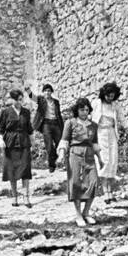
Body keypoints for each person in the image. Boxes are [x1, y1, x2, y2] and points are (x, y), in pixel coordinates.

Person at [56, 97, 101, 227]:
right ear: (77, 110)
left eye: (87, 110)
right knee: (75, 183)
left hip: (89, 155)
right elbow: (64, 141)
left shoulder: (93, 126)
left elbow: (95, 144)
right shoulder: (70, 123)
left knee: (93, 182)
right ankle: (78, 215)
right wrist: (60, 155)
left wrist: (101, 160)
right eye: (82, 109)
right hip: (75, 154)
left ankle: (86, 212)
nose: (85, 112)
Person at [0, 88, 33, 207]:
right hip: (10, 143)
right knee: (11, 170)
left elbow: (29, 129)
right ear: (12, 100)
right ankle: (14, 197)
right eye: (17, 100)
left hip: (24, 142)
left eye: (21, 100)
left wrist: (32, 141)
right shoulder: (5, 112)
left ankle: (26, 197)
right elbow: (0, 129)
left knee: (25, 169)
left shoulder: (26, 112)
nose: (19, 102)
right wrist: (1, 140)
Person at [90, 81, 126, 197]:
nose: (110, 98)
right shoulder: (97, 103)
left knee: (112, 160)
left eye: (112, 96)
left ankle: (110, 189)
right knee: (104, 160)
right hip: (101, 133)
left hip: (112, 133)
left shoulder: (115, 105)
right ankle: (105, 191)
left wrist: (127, 128)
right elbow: (89, 116)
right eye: (108, 96)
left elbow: (121, 118)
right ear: (104, 94)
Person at [33, 83, 64, 173]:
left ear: (51, 92)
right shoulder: (41, 100)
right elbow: (32, 97)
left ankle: (61, 162)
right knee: (49, 145)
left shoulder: (56, 102)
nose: (47, 92)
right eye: (45, 91)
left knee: (60, 143)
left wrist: (62, 126)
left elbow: (59, 115)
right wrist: (27, 89)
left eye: (49, 91)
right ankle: (52, 165)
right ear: (43, 92)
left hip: (56, 123)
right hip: (46, 124)